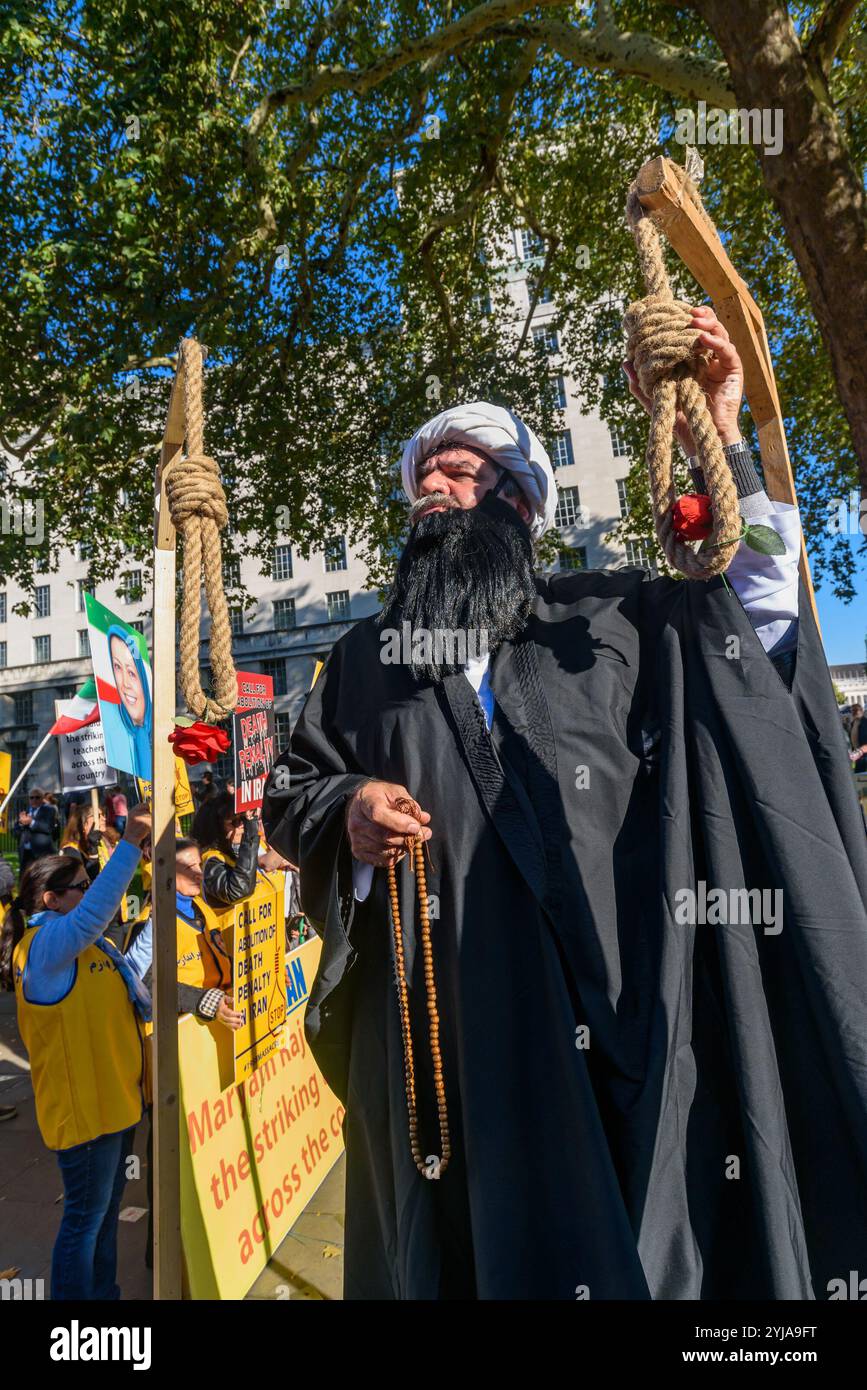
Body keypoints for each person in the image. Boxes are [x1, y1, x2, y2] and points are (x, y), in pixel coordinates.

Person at [263, 313, 867, 1301]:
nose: (432, 496)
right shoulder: (360, 665)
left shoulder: (608, 618)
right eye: (423, 483)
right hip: (457, 1056)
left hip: (636, 1023)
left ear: (520, 506)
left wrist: (723, 435)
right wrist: (351, 809)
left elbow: (755, 616)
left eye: (459, 477)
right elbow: (294, 790)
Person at [1, 805, 152, 1300]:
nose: (90, 896)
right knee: (85, 1224)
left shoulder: (87, 946)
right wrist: (129, 840)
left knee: (103, 1220)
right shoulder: (42, 946)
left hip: (115, 1105)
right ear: (50, 899)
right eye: (81, 888)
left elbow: (133, 967)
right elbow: (94, 917)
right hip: (85, 1116)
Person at [192, 792, 260, 908]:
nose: (241, 825)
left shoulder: (232, 854)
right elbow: (239, 891)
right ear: (215, 828)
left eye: (242, 819)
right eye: (234, 822)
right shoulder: (210, 862)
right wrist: (251, 832)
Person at [107, 626, 152, 781]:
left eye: (132, 673)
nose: (125, 683)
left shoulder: (163, 730)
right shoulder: (118, 727)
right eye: (117, 667)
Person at [13, 788, 57, 875]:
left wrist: (31, 822)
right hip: (25, 852)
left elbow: (47, 828)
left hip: (41, 852)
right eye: (31, 797)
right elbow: (15, 832)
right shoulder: (25, 812)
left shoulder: (49, 810)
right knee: (25, 878)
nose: (34, 800)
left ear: (42, 798)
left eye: (37, 797)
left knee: (41, 877)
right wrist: (21, 824)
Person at [60, 803, 100, 881]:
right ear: (83, 824)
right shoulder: (71, 851)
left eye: (103, 815)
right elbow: (86, 879)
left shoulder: (103, 840)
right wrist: (93, 850)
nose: (103, 819)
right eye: (98, 816)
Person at [848, 703, 867, 774]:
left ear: (861, 711)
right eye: (852, 710)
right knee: (858, 777)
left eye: (856, 710)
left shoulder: (865, 722)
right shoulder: (853, 723)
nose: (854, 712)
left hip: (864, 754)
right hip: (858, 754)